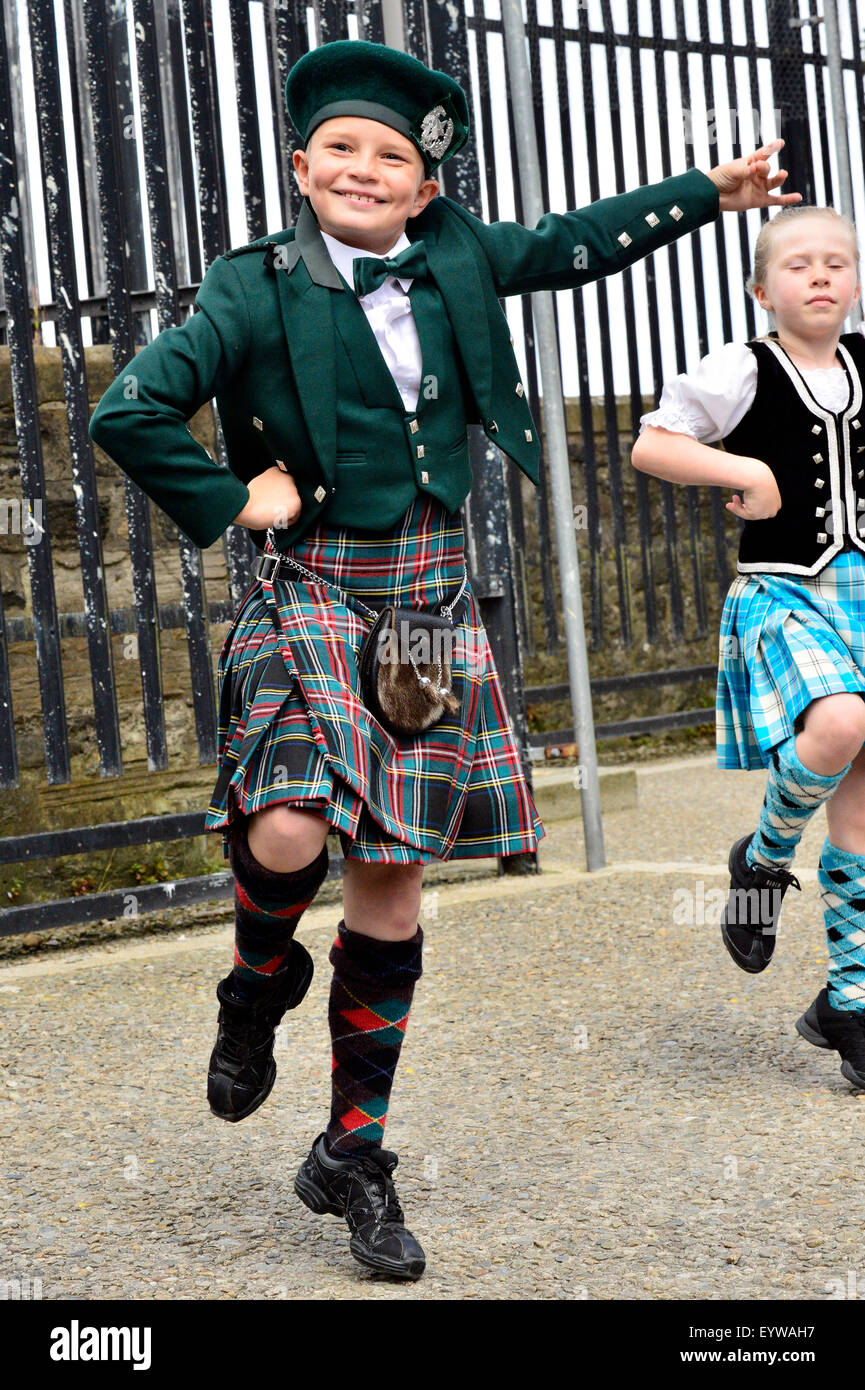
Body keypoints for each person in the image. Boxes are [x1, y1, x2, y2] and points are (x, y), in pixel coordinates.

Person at [88, 37, 799, 1280]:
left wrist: (710, 192)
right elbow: (129, 407)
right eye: (345, 149)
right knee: (289, 828)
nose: (367, 170)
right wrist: (233, 498)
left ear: (425, 188)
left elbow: (581, 241)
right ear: (304, 165)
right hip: (311, 582)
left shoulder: (462, 254)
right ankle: (257, 978)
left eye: (396, 156)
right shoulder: (248, 287)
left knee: (390, 876)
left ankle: (352, 1153)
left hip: (424, 598)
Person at [632, 203, 865, 1094]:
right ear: (760, 289)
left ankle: (849, 1000)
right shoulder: (741, 367)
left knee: (858, 813)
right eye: (797, 264)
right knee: (838, 723)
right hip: (784, 591)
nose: (818, 275)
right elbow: (654, 443)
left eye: (835, 263)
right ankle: (763, 856)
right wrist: (742, 471)